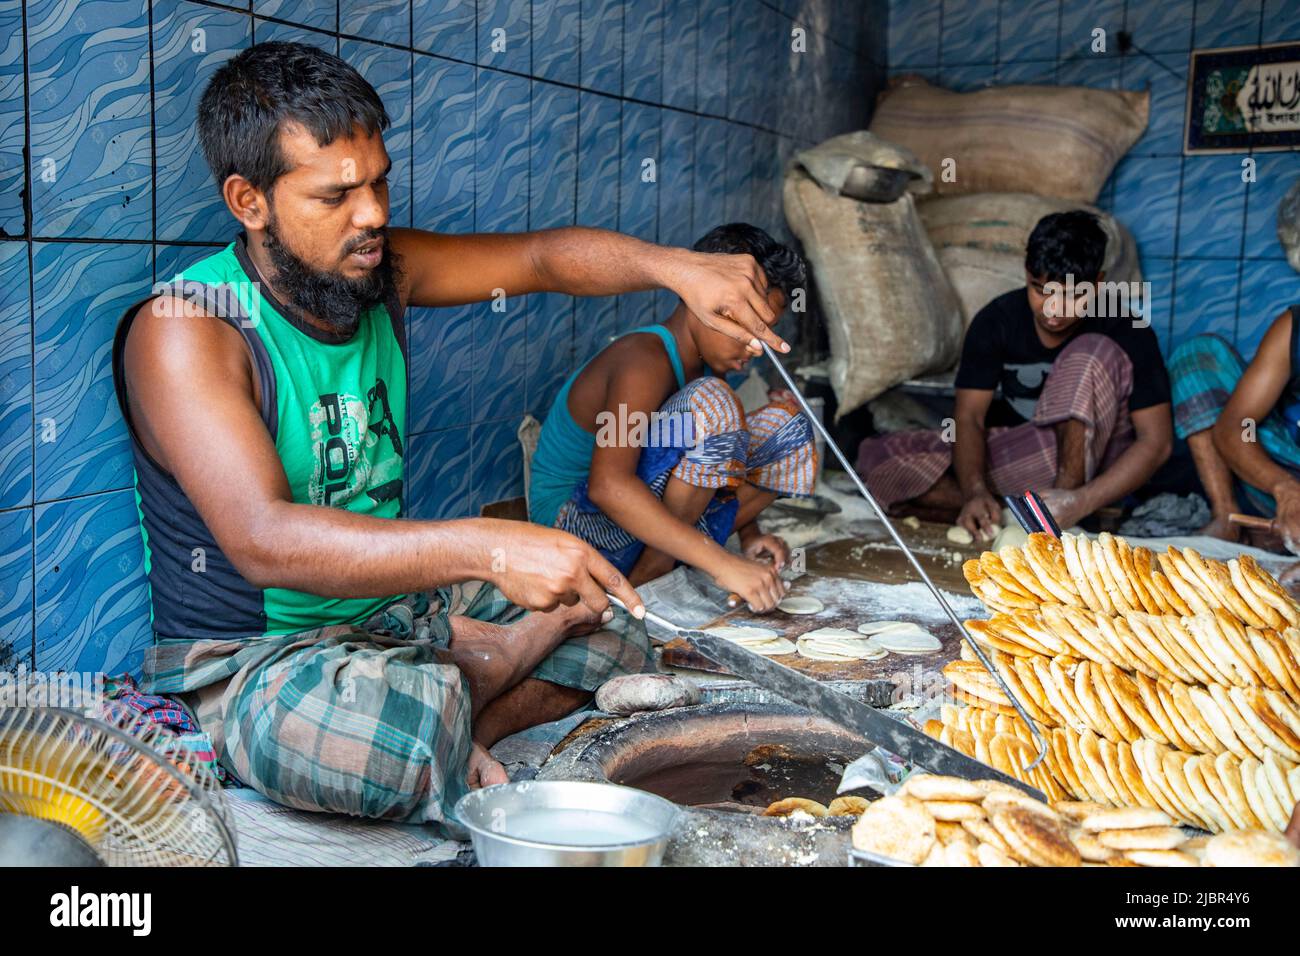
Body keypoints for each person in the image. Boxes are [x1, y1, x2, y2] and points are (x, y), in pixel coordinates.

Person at [111, 42, 790, 825]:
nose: (372, 215)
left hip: (388, 614)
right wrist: (491, 549)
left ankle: (464, 718)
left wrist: (676, 268)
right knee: (376, 743)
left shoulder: (378, 272)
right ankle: (465, 687)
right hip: (256, 663)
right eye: (336, 196)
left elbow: (540, 260)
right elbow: (263, 539)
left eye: (378, 182)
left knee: (617, 626)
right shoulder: (188, 329)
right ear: (248, 200)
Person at [529, 224, 817, 611]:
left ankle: (668, 561)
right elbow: (607, 486)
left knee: (789, 430)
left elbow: (724, 464)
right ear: (702, 296)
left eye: (765, 329)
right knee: (715, 404)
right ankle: (652, 578)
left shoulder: (707, 367)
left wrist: (750, 535)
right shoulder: (642, 360)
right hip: (576, 529)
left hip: (638, 527)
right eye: (749, 325)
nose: (757, 344)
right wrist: (724, 564)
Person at [856, 211, 1173, 540]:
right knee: (878, 456)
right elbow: (969, 419)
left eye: (1072, 296)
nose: (1054, 310)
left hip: (1100, 463)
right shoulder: (997, 320)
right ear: (1026, 274)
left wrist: (1080, 501)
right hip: (1025, 452)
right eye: (1042, 290)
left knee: (1089, 351)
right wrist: (975, 491)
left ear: (1097, 283)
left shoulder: (1126, 329)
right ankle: (1009, 511)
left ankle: (1057, 515)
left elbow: (1157, 443)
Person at [1168, 305, 1300, 550]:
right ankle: (1227, 517)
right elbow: (1239, 423)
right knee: (1198, 356)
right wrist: (1285, 488)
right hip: (1285, 468)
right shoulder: (1293, 329)